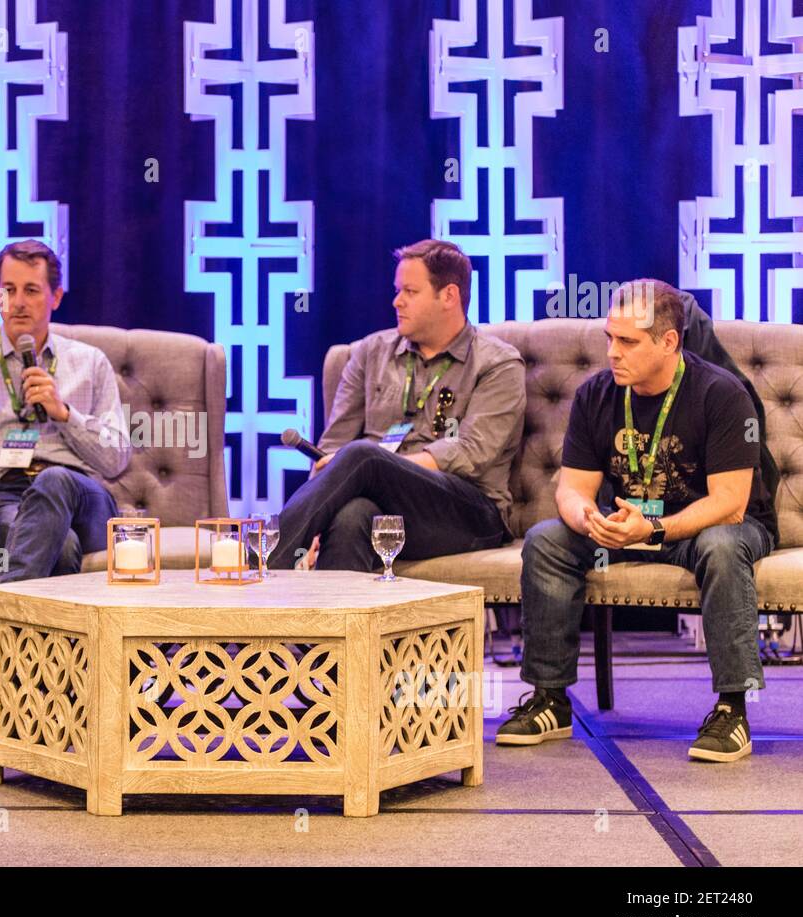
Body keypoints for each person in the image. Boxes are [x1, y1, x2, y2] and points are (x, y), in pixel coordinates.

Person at [497, 279, 776, 762]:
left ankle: (733, 709)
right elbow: (573, 489)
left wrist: (655, 529)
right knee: (546, 540)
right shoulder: (596, 395)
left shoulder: (722, 394)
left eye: (627, 341)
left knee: (724, 547)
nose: (612, 352)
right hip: (627, 524)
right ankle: (550, 700)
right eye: (609, 337)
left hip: (711, 526)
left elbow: (730, 503)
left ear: (668, 342)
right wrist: (590, 521)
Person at [0, 240, 131, 652]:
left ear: (56, 296)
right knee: (61, 547)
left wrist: (63, 412)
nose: (17, 302)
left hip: (82, 497)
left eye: (31, 290)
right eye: (7, 289)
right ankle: (51, 689)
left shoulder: (89, 363)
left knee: (55, 479)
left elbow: (117, 457)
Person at [272, 239, 526, 572]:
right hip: (384, 506)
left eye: (410, 291)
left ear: (449, 295)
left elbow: (472, 453)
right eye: (397, 290)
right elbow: (333, 447)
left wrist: (382, 466)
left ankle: (262, 563)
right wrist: (321, 511)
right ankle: (327, 623)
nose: (397, 301)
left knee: (364, 456)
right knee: (352, 517)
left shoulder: (498, 364)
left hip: (469, 511)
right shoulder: (370, 352)